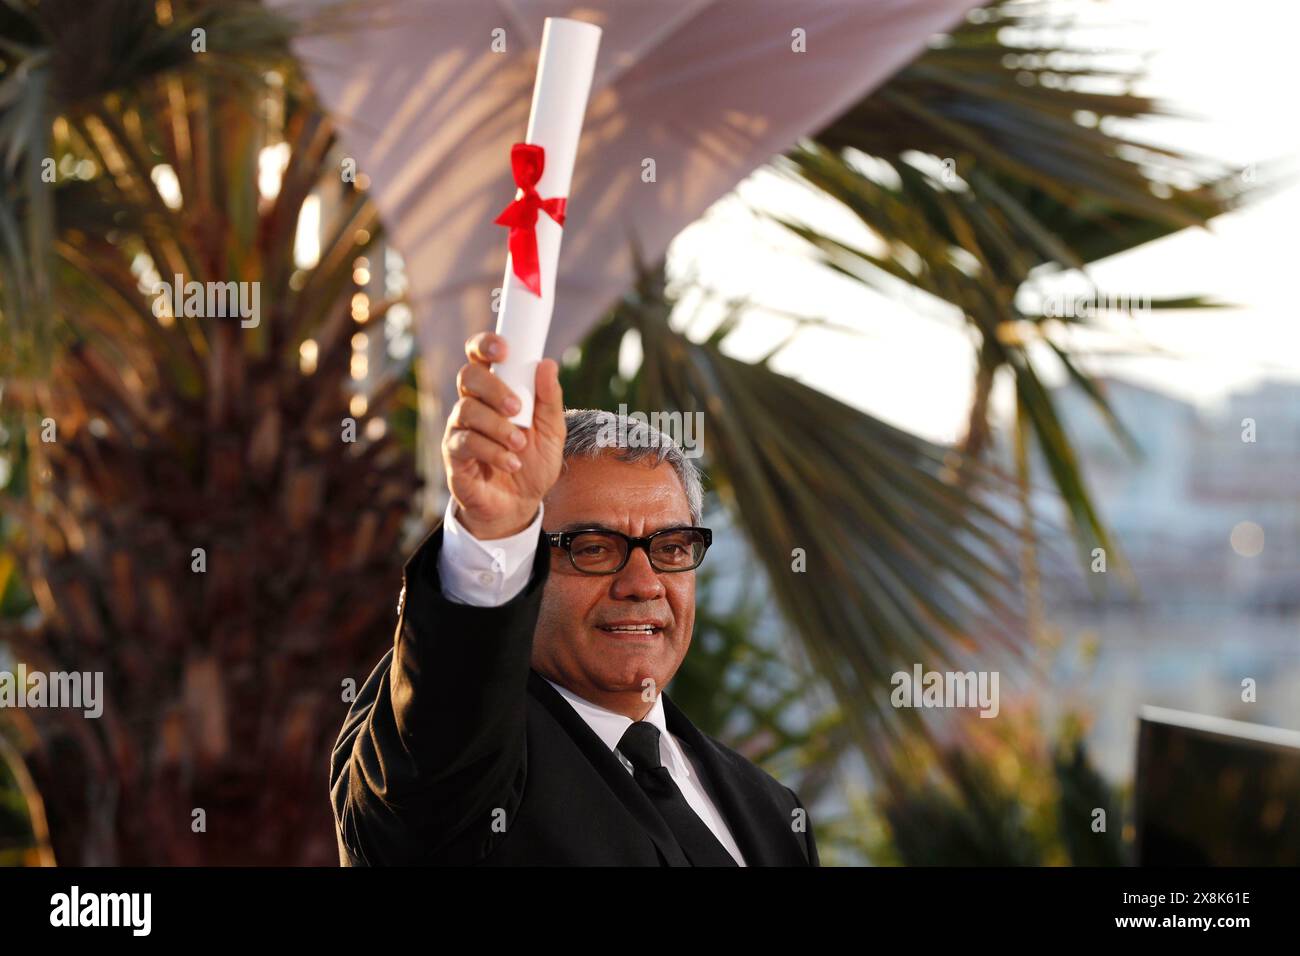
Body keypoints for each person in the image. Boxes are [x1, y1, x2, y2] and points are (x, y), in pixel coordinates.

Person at [330, 331, 819, 866]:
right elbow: (433, 754)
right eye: (593, 548)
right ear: (527, 564)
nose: (643, 583)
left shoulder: (773, 811)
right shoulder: (462, 764)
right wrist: (489, 533)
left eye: (671, 547)